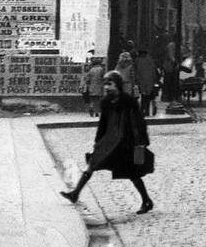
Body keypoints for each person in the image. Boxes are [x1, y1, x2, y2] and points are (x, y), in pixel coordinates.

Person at [60, 70, 153, 214]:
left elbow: (139, 122)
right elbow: (103, 123)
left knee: (133, 173)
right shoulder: (106, 102)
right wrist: (97, 142)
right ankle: (75, 194)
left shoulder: (128, 101)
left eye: (110, 84)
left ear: (118, 85)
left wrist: (142, 142)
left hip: (126, 143)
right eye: (105, 84)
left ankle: (146, 200)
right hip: (109, 142)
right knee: (92, 164)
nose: (106, 87)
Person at [135, 49, 157, 116]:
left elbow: (136, 71)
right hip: (149, 81)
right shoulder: (150, 60)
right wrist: (154, 79)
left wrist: (137, 80)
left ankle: (142, 110)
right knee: (147, 97)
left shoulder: (138, 60)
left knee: (143, 96)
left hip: (142, 81)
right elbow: (153, 70)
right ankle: (146, 111)